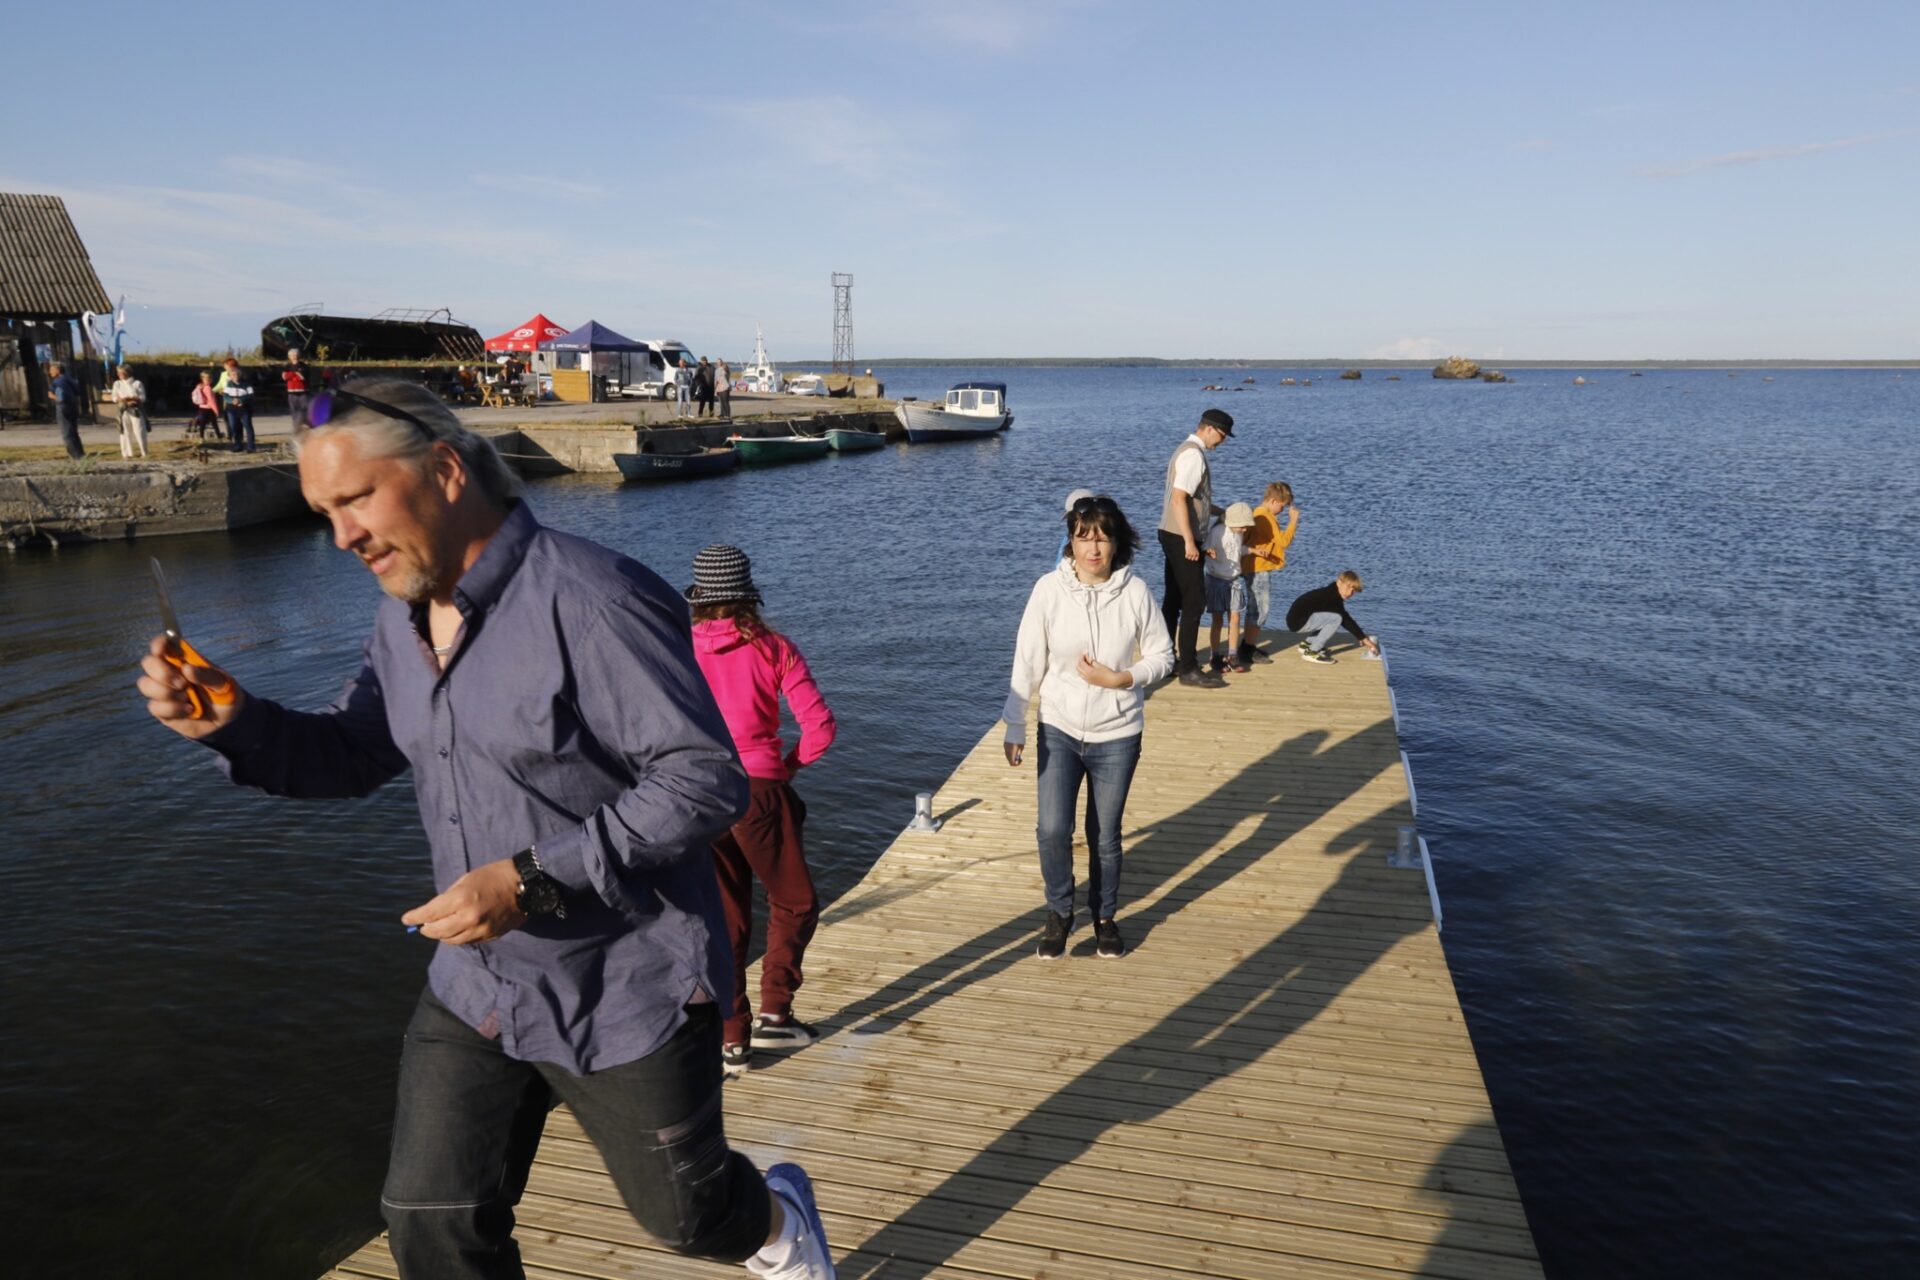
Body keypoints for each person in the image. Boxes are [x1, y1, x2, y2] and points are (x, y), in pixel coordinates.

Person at [133, 378, 837, 1280]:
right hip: (478, 987)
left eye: (355, 499)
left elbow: (705, 781)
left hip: (625, 989)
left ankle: (779, 1221)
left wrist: (533, 877)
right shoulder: (402, 623)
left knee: (688, 1216)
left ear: (447, 471)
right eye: (325, 511)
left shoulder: (594, 599)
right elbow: (352, 753)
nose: (341, 535)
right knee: (430, 1224)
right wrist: (232, 722)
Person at [685, 544, 838, 1078]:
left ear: (700, 599)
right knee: (794, 902)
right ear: (747, 597)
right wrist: (788, 766)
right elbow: (821, 730)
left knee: (725, 918)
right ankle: (776, 1008)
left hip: (699, 795)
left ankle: (732, 1040)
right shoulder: (775, 648)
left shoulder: (680, 650)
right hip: (759, 790)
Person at [1003, 495, 1175, 961]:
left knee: (1105, 835)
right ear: (1071, 541)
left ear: (1116, 542)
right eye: (1083, 537)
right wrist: (1015, 722)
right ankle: (1060, 911)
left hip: (1118, 734)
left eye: (1101, 537)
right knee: (1052, 830)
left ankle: (1104, 917)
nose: (1093, 548)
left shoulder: (1135, 592)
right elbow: (1028, 659)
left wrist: (1122, 678)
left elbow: (1164, 655)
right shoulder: (1048, 590)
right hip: (1058, 727)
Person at [1157, 408, 1233, 687]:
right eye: (1222, 436)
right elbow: (1179, 499)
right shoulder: (1193, 456)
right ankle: (1188, 667)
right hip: (1181, 537)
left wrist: (1219, 511)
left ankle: (1165, 659)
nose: (1222, 442)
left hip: (1170, 532)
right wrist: (1190, 542)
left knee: (1174, 600)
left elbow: (1191, 500)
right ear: (1209, 429)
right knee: (1194, 601)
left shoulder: (1184, 450)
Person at [1237, 481, 1299, 666]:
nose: (1282, 509)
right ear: (1273, 500)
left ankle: (1248, 646)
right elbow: (1283, 542)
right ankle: (1247, 649)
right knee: (1260, 610)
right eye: (1282, 505)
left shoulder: (1257, 514)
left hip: (1254, 567)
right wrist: (1293, 521)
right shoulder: (1265, 517)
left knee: (1255, 609)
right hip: (1258, 569)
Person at [1203, 502, 1256, 674]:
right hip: (1216, 579)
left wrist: (1252, 550)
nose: (1245, 530)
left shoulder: (1237, 534)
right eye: (1243, 526)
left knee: (1235, 617)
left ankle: (1232, 654)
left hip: (1234, 579)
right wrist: (1208, 551)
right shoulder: (1217, 532)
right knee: (1218, 620)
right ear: (1232, 522)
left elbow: (1236, 550)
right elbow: (1204, 546)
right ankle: (1215, 655)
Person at [1286, 570, 1380, 664]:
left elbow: (1343, 618)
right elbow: (1345, 619)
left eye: (1353, 590)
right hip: (1298, 622)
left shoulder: (1331, 592)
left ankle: (1307, 644)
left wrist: (1361, 637)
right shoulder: (1331, 597)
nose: (1350, 593)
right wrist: (1363, 638)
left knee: (1331, 617)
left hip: (1297, 619)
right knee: (1336, 619)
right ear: (1339, 582)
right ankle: (1312, 651)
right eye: (1348, 587)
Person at [215, 358, 256, 452]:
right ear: (230, 376)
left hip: (244, 409)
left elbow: (251, 395)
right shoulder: (229, 384)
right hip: (232, 409)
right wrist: (231, 400)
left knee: (248, 426)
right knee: (234, 427)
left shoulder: (246, 384)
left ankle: (251, 446)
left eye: (237, 374)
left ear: (240, 375)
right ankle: (237, 445)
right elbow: (225, 396)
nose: (235, 376)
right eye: (233, 374)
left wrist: (241, 400)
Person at [111, 363, 150, 458]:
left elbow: (142, 397)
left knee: (139, 431)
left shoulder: (137, 383)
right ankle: (127, 453)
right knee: (125, 432)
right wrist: (122, 400)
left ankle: (144, 452)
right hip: (123, 409)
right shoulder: (117, 384)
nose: (119, 375)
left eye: (121, 373)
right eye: (118, 373)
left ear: (126, 373)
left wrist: (133, 399)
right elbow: (114, 397)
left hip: (135, 409)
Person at [47, 361, 83, 459]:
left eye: (51, 370)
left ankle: (74, 455)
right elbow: (77, 392)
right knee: (74, 431)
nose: (50, 372)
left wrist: (52, 396)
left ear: (57, 370)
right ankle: (80, 453)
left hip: (63, 407)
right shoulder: (70, 379)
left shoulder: (58, 382)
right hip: (73, 406)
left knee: (67, 432)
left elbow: (61, 397)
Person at [189, 370, 225, 441]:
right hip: (209, 408)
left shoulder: (200, 386)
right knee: (214, 423)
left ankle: (201, 437)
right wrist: (216, 410)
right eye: (208, 378)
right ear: (203, 379)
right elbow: (211, 400)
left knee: (203, 423)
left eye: (210, 378)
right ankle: (219, 436)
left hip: (202, 407)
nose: (209, 380)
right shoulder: (208, 388)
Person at [282, 347, 312, 428]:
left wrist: (292, 375)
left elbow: (302, 378)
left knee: (305, 410)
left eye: (295, 355)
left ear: (299, 355)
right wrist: (295, 374)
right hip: (291, 393)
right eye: (292, 355)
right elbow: (284, 377)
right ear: (289, 357)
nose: (294, 356)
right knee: (294, 411)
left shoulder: (304, 366)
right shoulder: (287, 366)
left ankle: (306, 426)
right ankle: (297, 427)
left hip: (303, 393)